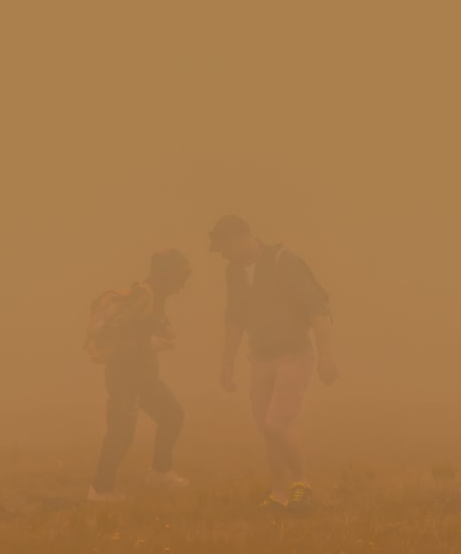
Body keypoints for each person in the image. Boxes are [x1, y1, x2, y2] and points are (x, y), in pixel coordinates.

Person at [211, 215, 339, 513]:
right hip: (260, 357)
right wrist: (227, 364)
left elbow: (317, 309)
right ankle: (278, 495)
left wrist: (326, 357)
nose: (224, 255)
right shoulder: (234, 272)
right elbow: (234, 318)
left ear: (243, 237)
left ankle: (302, 484)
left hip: (294, 354)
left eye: (225, 247)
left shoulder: (286, 262)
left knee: (275, 424)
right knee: (265, 428)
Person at [87, 248, 193, 502]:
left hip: (144, 375)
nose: (181, 287)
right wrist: (149, 342)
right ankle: (101, 490)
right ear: (167, 275)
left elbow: (139, 326)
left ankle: (160, 473)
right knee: (121, 431)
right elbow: (113, 331)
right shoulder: (144, 295)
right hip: (124, 375)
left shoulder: (156, 296)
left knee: (172, 415)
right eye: (180, 280)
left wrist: (162, 330)